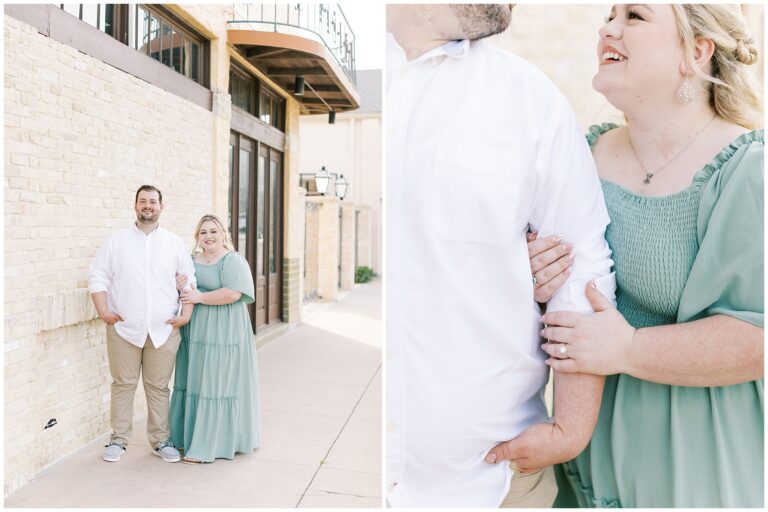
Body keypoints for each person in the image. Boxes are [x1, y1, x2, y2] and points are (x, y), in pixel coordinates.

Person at [491, 4, 763, 507]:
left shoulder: (750, 171)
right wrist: (528, 279)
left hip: (699, 467)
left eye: (634, 16)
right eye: (609, 15)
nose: (607, 28)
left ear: (696, 52)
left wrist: (628, 349)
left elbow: (758, 337)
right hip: (586, 459)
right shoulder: (580, 157)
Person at [386, 4, 617, 508]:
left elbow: (583, 268)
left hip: (496, 484)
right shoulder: (368, 81)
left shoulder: (530, 99)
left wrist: (571, 430)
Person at [88, 185, 195, 463]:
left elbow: (189, 282)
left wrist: (186, 315)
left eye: (153, 201)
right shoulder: (117, 241)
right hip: (124, 329)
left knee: (158, 388)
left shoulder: (174, 244)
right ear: (135, 205)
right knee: (123, 385)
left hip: (164, 330)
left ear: (162, 206)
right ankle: (118, 441)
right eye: (143, 201)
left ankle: (160, 441)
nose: (148, 205)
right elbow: (97, 276)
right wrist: (103, 311)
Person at [169, 214, 259, 464]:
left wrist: (199, 298)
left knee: (216, 384)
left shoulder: (233, 261)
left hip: (224, 330)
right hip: (195, 330)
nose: (208, 237)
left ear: (223, 235)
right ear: (197, 236)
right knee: (194, 381)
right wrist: (180, 285)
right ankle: (183, 437)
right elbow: (184, 288)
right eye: (203, 232)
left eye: (213, 231)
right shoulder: (190, 259)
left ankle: (209, 444)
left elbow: (233, 293)